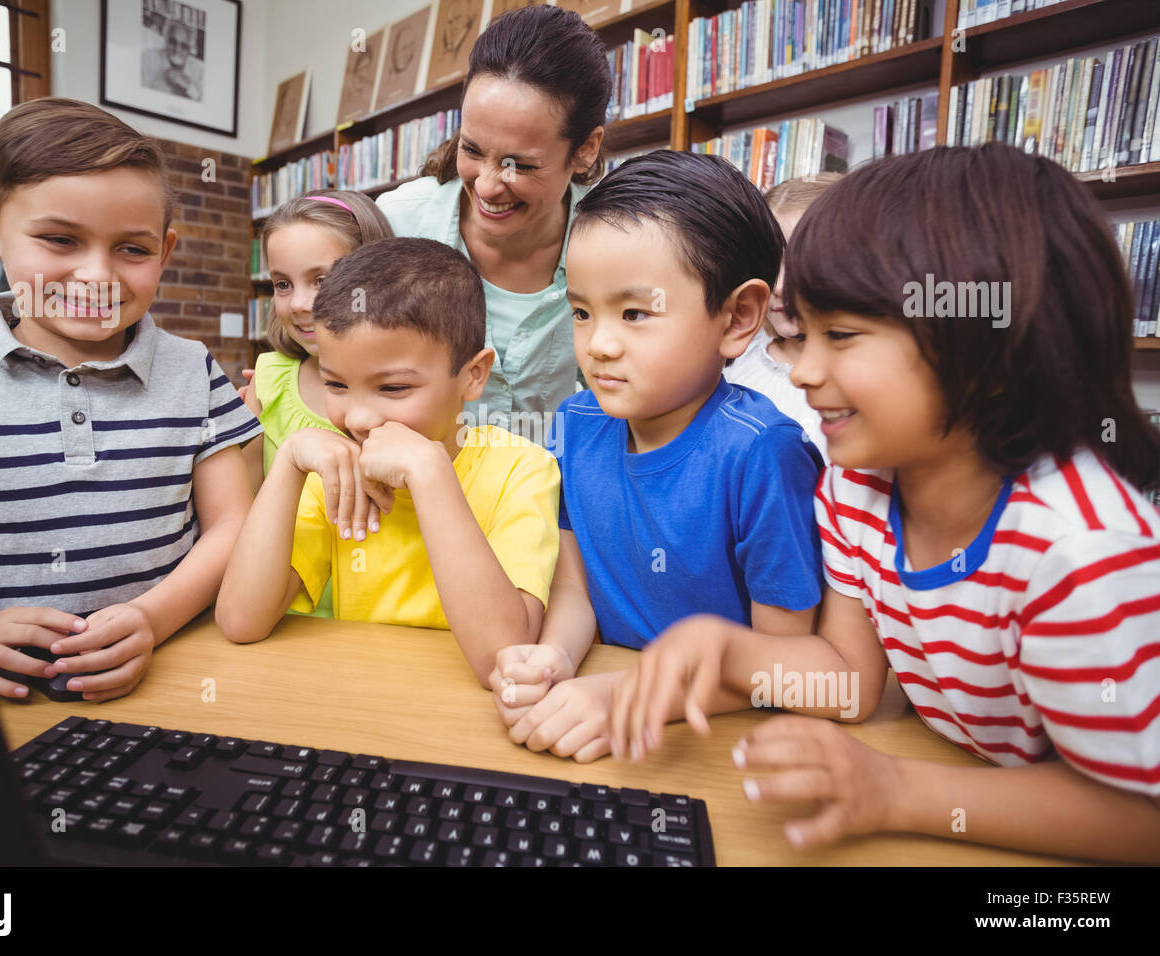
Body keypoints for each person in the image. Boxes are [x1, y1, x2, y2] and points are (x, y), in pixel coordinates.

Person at [610, 144, 1160, 863]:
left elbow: (1138, 817)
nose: (803, 371)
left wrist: (896, 791)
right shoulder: (859, 486)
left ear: (986, 347)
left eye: (840, 336)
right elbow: (851, 679)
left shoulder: (1078, 552)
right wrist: (727, 650)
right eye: (800, 333)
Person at [0, 98, 259, 702]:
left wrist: (153, 619)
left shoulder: (196, 372)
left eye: (132, 250)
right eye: (60, 239)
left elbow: (232, 526)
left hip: (172, 686)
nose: (96, 276)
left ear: (164, 252)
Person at [488, 151, 825, 761]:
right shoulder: (574, 422)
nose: (600, 345)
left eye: (636, 313)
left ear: (739, 316)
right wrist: (555, 656)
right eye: (582, 312)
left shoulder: (765, 455)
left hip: (716, 739)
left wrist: (634, 693)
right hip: (598, 703)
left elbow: (786, 663)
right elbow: (576, 586)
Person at [216, 238, 561, 688]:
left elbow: (503, 659)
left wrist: (429, 472)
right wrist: (288, 463)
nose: (357, 418)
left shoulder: (522, 468)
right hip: (363, 704)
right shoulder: (336, 474)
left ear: (473, 375)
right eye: (336, 385)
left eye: (394, 389)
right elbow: (241, 622)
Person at [376, 4, 610, 428]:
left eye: (520, 164)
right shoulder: (396, 224)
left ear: (585, 150)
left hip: (547, 492)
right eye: (471, 149)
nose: (485, 186)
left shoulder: (611, 241)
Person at [239, 190, 393, 617]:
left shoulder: (410, 390)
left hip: (385, 620)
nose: (301, 304)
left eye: (322, 280)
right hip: (280, 616)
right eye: (283, 284)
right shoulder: (267, 381)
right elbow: (240, 516)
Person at [725, 173, 842, 458]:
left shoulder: (868, 377)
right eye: (769, 262)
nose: (777, 287)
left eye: (800, 262)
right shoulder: (731, 365)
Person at [141, 19, 204, 101]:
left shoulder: (199, 69)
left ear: (189, 50)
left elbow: (202, 101)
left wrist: (187, 86)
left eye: (184, 45)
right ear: (166, 41)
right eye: (173, 42)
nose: (177, 49)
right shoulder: (148, 58)